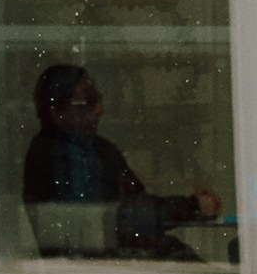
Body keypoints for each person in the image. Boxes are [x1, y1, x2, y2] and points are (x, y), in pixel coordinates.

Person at [18, 60, 217, 260]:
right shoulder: (54, 156)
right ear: (56, 112)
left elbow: (135, 207)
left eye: (98, 100)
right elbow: (116, 218)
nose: (99, 110)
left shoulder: (99, 150)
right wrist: (191, 206)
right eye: (87, 102)